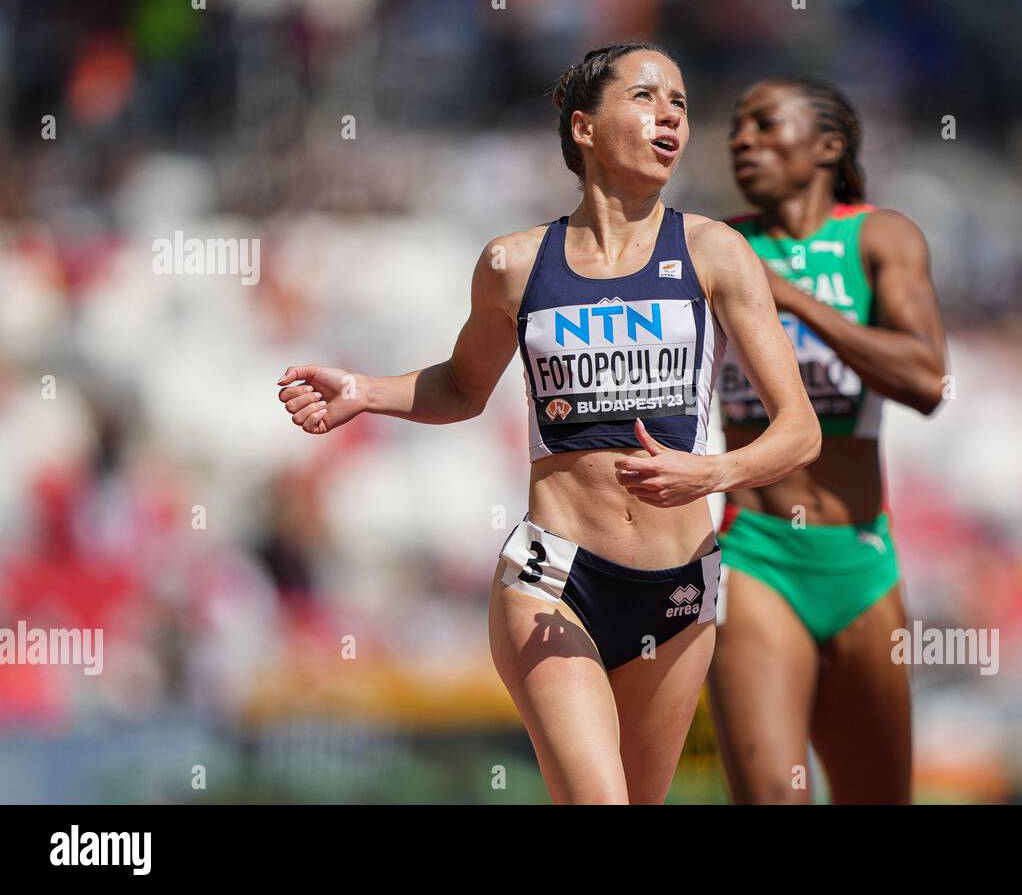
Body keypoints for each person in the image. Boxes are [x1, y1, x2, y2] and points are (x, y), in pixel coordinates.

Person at [275, 44, 820, 804]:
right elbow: (463, 386)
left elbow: (800, 430)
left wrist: (714, 471)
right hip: (556, 578)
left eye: (681, 103)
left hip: (681, 587)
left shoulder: (715, 254)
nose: (669, 114)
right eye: (644, 96)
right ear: (585, 128)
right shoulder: (515, 264)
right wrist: (365, 390)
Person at [707, 76, 948, 804]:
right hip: (755, 554)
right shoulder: (716, 246)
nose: (741, 140)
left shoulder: (879, 236)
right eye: (736, 128)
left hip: (861, 560)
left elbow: (927, 379)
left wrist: (793, 299)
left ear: (828, 146)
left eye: (764, 123)